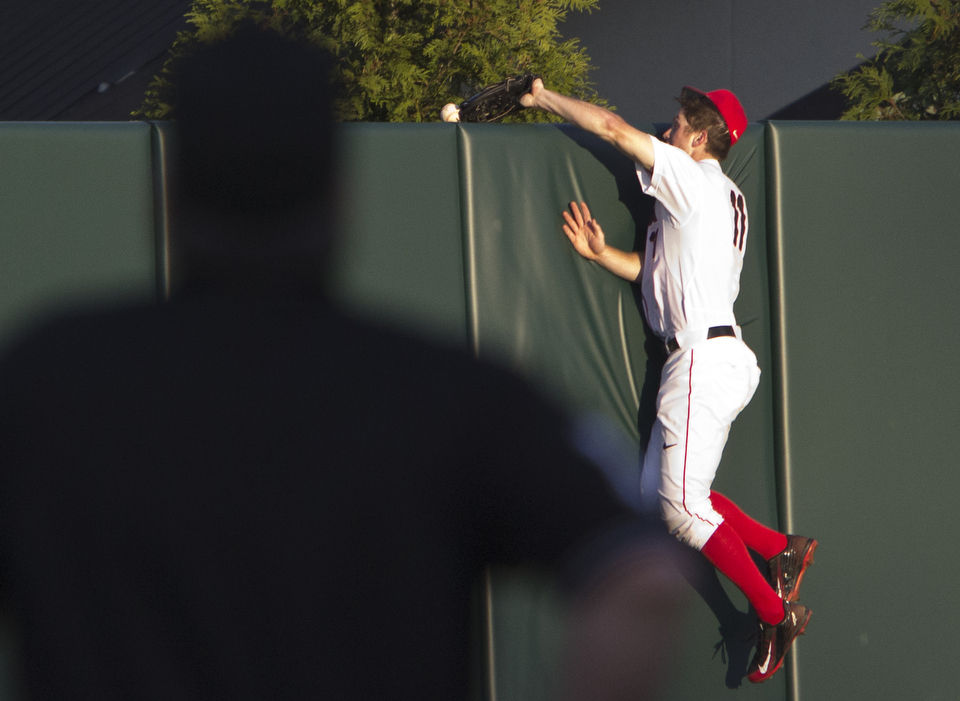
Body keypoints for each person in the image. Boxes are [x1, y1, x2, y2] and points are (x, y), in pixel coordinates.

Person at [0, 26, 685, 701]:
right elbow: (640, 578)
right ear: (341, 194)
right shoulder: (438, 390)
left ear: (167, 195)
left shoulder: (46, 381)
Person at [521, 79, 818, 683]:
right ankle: (779, 548)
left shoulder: (694, 178)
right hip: (705, 356)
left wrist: (545, 98)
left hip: (704, 359)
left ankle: (773, 611)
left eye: (677, 126)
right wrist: (604, 255)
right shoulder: (701, 203)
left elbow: (610, 128)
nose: (666, 134)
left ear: (699, 137)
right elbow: (658, 274)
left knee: (681, 507)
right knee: (665, 501)